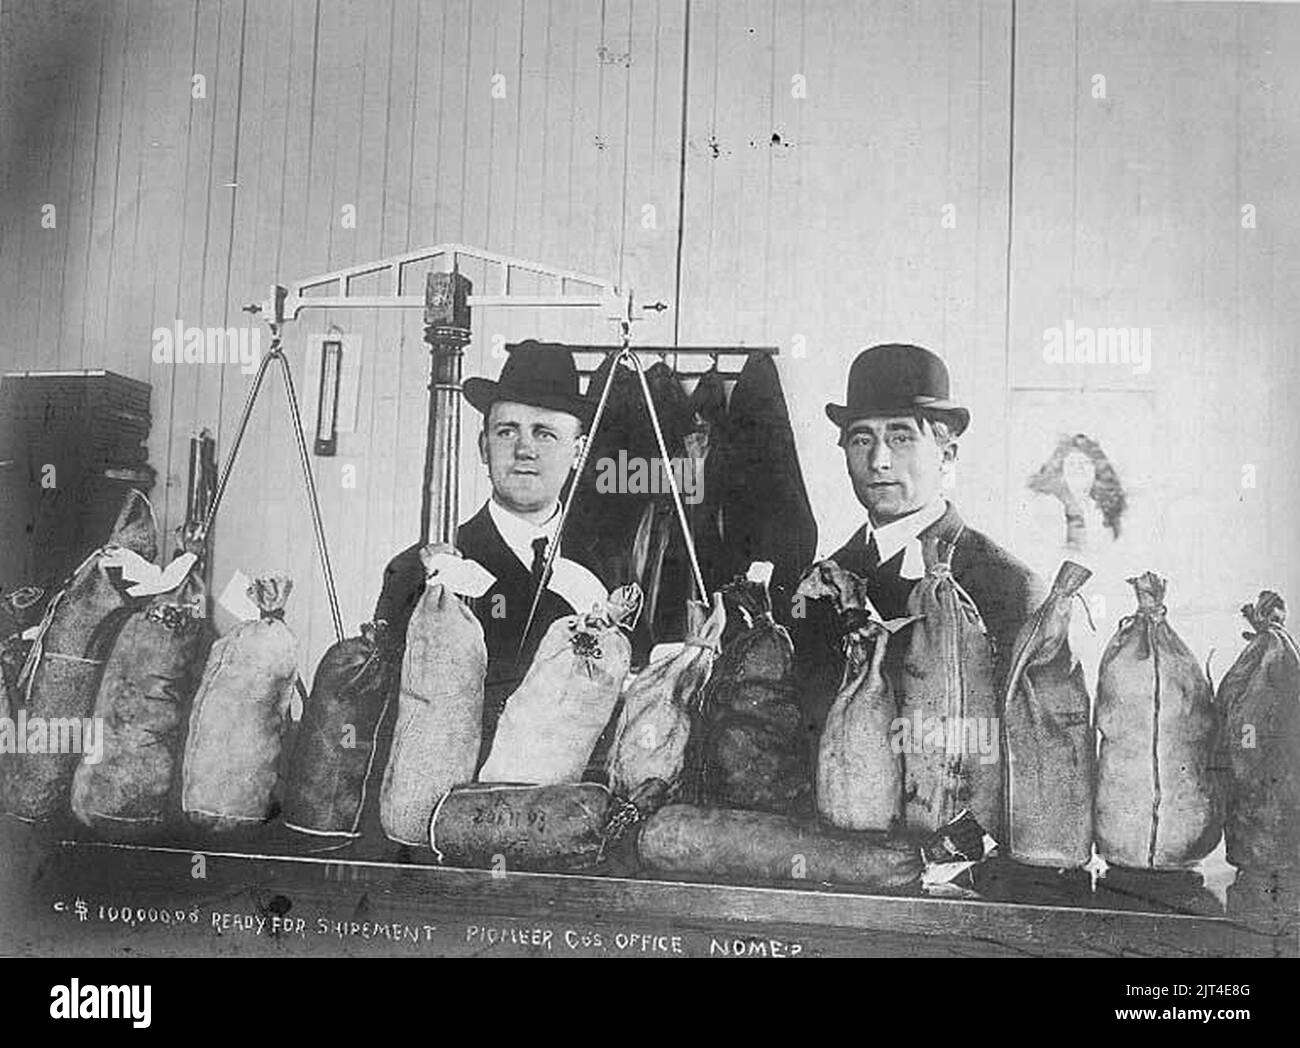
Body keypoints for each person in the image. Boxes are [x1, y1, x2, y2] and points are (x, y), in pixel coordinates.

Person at [372, 342, 619, 768]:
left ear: (578, 452)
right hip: (452, 809)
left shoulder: (608, 570)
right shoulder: (421, 568)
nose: (525, 449)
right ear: (483, 447)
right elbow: (390, 716)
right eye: (507, 431)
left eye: (545, 433)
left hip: (572, 809)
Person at [792, 343, 1045, 737]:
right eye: (861, 439)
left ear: (947, 455)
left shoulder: (1007, 586)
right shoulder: (819, 584)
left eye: (901, 438)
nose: (879, 461)